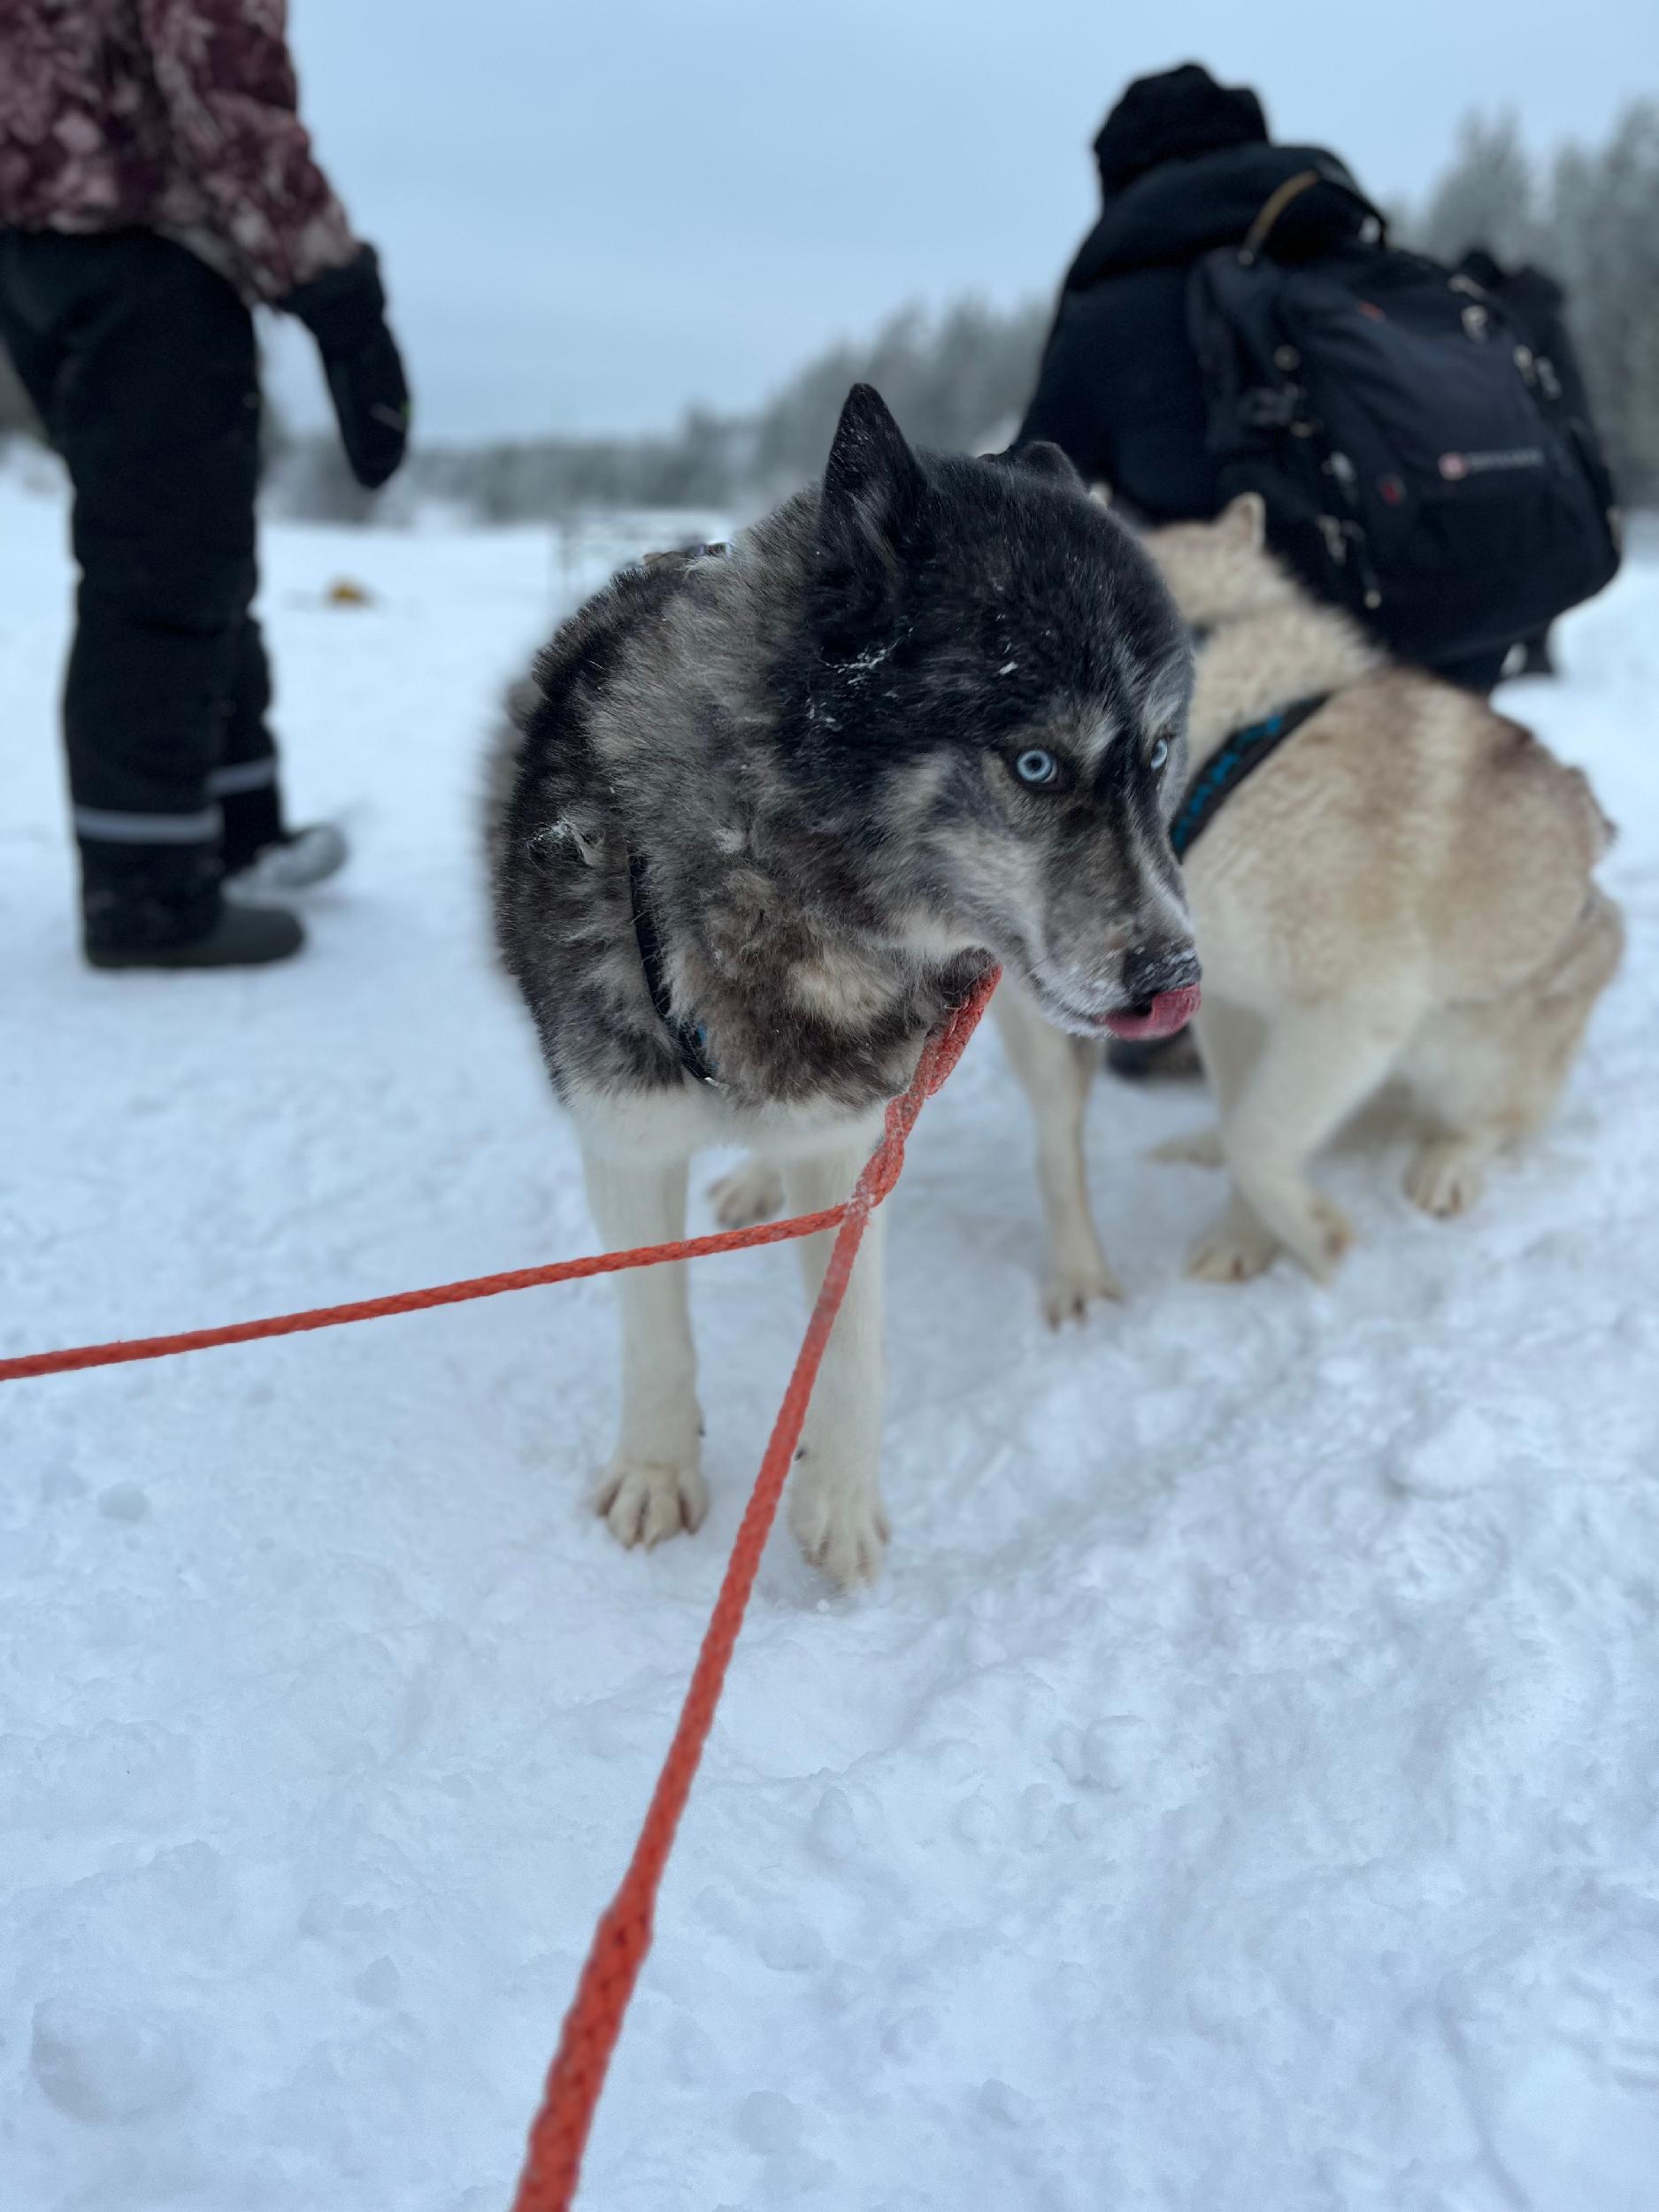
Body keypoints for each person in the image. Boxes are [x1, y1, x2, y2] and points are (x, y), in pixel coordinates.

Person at [0, 2, 409, 969]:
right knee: (160, 567)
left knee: (196, 548)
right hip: (141, 246)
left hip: (47, 241)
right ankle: (144, 889)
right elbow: (223, 85)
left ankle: (229, 828)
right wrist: (338, 293)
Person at [1017, 65, 1521, 696]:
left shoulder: (1109, 316)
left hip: (1246, 702)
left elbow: (1021, 499)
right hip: (1441, 663)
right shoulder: (1353, 265)